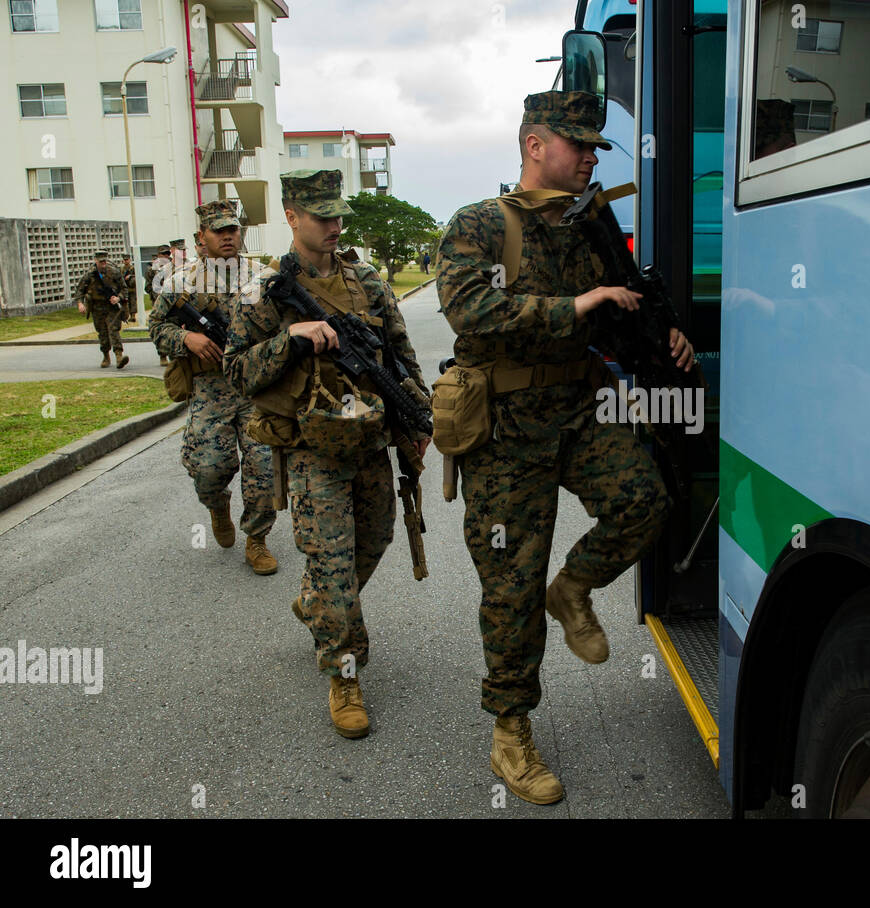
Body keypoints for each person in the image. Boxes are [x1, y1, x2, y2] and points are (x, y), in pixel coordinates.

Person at [434, 90, 695, 805]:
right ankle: (511, 729)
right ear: (533, 144)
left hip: (580, 408)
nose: (588, 158)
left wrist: (659, 334)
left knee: (645, 500)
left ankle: (573, 587)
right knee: (511, 586)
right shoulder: (480, 225)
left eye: (595, 148)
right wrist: (574, 306)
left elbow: (616, 310)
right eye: (577, 145)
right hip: (505, 428)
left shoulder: (591, 227)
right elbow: (470, 309)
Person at [225, 169, 431, 740]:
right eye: (322, 216)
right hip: (312, 448)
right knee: (334, 565)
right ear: (291, 216)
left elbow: (401, 355)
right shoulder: (264, 290)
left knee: (376, 540)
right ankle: (344, 672)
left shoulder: (367, 280)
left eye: (339, 215)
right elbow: (236, 370)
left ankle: (316, 602)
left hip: (368, 443)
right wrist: (291, 340)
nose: (336, 226)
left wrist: (418, 418)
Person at [149, 200, 279, 576]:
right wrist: (186, 338)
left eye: (233, 229)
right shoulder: (180, 283)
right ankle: (217, 505)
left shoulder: (261, 279)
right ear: (201, 237)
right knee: (209, 468)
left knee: (265, 470)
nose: (227, 236)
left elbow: (281, 327)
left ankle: (256, 539)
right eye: (219, 230)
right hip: (210, 390)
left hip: (255, 391)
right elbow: (157, 329)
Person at [76, 250, 129, 369]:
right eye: (101, 262)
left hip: (111, 307)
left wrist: (118, 298)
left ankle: (119, 356)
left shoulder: (114, 272)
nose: (104, 263)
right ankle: (106, 355)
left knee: (113, 329)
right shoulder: (90, 275)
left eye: (105, 261)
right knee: (102, 333)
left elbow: (124, 289)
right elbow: (79, 291)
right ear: (96, 261)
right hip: (97, 308)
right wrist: (80, 304)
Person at [146, 245, 172, 365]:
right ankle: (162, 355)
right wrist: (155, 295)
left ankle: (174, 355)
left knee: (173, 326)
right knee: (159, 328)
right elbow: (148, 286)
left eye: (168, 254)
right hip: (158, 302)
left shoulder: (175, 266)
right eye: (163, 254)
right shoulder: (152, 269)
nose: (166, 256)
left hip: (172, 303)